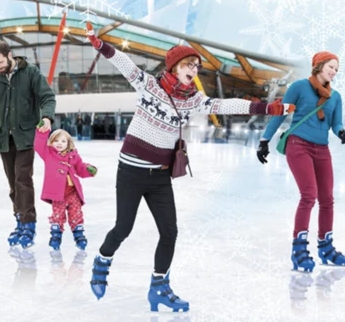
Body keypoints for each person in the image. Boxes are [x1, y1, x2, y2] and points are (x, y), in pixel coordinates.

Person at [84, 22, 292, 312]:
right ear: (174, 67)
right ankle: (102, 262)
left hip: (159, 176)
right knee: (123, 228)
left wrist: (267, 108)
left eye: (196, 65)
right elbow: (124, 62)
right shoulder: (148, 85)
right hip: (130, 171)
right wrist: (98, 44)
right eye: (188, 64)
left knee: (169, 232)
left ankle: (159, 287)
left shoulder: (194, 101)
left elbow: (225, 105)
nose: (194, 69)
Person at [256, 51, 345, 272]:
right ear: (318, 66)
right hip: (299, 146)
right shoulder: (299, 87)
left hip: (322, 149)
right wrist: (264, 140)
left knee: (327, 198)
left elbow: (335, 123)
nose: (334, 71)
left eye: (337, 69)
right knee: (309, 195)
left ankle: (326, 248)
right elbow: (280, 114)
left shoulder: (335, 97)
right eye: (331, 66)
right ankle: (299, 251)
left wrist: (341, 131)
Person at [0, 41, 57, 248]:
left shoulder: (30, 73)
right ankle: (19, 220)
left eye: (1, 62)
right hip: (4, 138)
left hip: (26, 136)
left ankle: (29, 225)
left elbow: (47, 97)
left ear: (10, 55)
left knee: (22, 179)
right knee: (13, 185)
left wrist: (46, 117)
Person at [34, 127, 97, 251]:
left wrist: (88, 169)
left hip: (73, 193)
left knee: (76, 214)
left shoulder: (73, 156)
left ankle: (79, 235)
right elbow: (38, 145)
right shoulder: (48, 154)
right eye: (56, 141)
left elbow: (80, 167)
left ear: (68, 143)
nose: (59, 144)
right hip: (58, 194)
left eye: (63, 141)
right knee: (57, 215)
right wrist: (42, 131)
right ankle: (56, 236)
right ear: (51, 142)